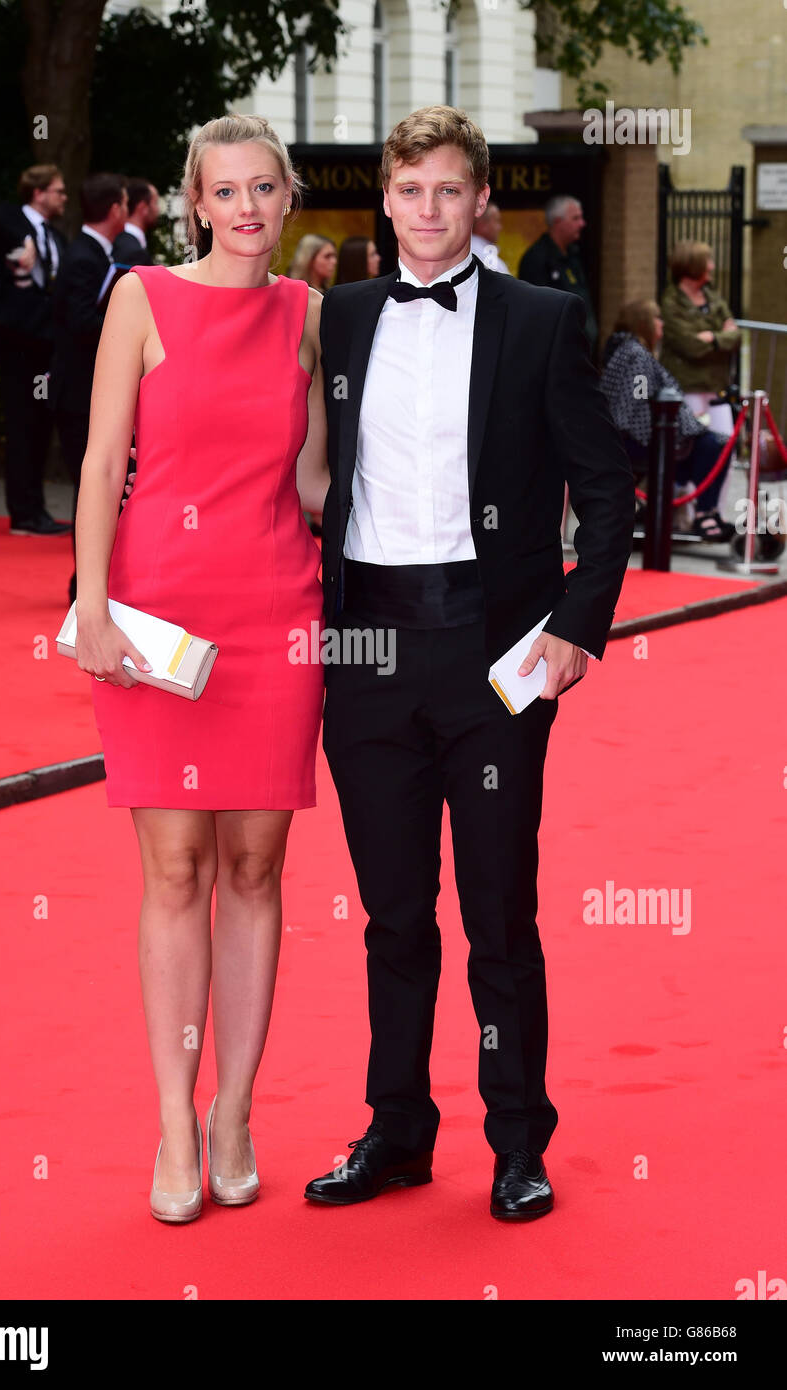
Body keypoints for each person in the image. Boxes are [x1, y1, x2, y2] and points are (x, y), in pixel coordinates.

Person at [304, 106, 635, 1221]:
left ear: (477, 197)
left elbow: (603, 484)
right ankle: (396, 1128)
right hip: (364, 651)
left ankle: (515, 1141)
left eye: (448, 190)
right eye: (408, 192)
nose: (427, 211)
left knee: (499, 911)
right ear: (384, 199)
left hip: (492, 649)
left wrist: (577, 628)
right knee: (391, 913)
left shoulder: (541, 318)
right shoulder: (339, 318)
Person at [73, 114, 328, 1223]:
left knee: (256, 868)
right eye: (222, 191)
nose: (244, 209)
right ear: (191, 201)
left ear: (286, 198)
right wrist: (89, 604)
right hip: (158, 614)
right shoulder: (138, 298)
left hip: (275, 608)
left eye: (262, 188)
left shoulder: (310, 315)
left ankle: (236, 1109)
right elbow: (96, 460)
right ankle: (175, 1120)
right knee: (173, 866)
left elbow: (318, 481)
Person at [0, 164, 71, 536]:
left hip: (45, 343)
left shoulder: (57, 238)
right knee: (21, 424)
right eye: (58, 191)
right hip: (18, 341)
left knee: (38, 425)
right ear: (38, 193)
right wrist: (24, 239)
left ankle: (35, 510)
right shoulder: (14, 223)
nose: (64, 197)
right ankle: (24, 514)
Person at [50, 172, 129, 603]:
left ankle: (93, 582)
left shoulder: (91, 253)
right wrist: (128, 327)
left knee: (99, 483)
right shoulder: (82, 256)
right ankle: (85, 585)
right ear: (115, 209)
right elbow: (79, 321)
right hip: (79, 393)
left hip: (87, 389)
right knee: (92, 485)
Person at [601, 299, 736, 542]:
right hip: (644, 441)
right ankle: (705, 514)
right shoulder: (636, 356)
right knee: (714, 445)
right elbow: (637, 400)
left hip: (648, 436)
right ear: (644, 323)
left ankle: (706, 512)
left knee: (713, 443)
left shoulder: (627, 351)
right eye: (657, 318)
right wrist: (667, 433)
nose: (661, 324)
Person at [659, 240, 741, 438]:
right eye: (708, 261)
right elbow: (690, 346)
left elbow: (736, 336)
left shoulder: (711, 295)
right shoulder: (671, 302)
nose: (712, 266)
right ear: (693, 266)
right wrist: (721, 338)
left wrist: (711, 338)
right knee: (695, 446)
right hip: (689, 387)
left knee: (725, 444)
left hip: (716, 385)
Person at [518, 194, 598, 353]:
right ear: (557, 222)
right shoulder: (536, 259)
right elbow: (536, 312)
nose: (582, 223)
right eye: (576, 218)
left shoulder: (573, 255)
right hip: (555, 351)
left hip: (581, 351)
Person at [113, 178, 161, 266]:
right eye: (156, 203)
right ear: (143, 208)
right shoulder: (133, 252)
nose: (158, 209)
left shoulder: (119, 241)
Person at [471, 201, 509, 274]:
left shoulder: (461, 251)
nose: (500, 228)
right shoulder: (487, 258)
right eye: (497, 221)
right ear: (482, 224)